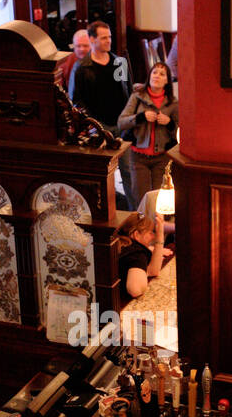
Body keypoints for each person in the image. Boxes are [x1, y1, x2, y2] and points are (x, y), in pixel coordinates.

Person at [73, 21, 133, 198]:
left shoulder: (118, 63)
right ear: (92, 39)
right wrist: (94, 126)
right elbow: (78, 102)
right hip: (99, 129)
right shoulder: (83, 68)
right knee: (102, 175)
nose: (109, 41)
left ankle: (134, 212)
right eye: (104, 37)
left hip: (122, 126)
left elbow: (128, 92)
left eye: (110, 37)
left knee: (129, 173)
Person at [117, 62, 179, 207]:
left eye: (162, 74)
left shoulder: (173, 103)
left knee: (159, 201)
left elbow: (180, 132)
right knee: (140, 200)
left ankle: (157, 228)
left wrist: (169, 123)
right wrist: (140, 117)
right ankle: (140, 229)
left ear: (167, 81)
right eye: (154, 72)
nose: (157, 76)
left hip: (162, 158)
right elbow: (121, 122)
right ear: (149, 76)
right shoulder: (137, 96)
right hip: (138, 157)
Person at [116, 212, 169, 300]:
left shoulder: (120, 244)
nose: (153, 236)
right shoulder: (137, 253)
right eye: (150, 233)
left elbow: (153, 271)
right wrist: (145, 273)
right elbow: (135, 290)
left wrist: (159, 238)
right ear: (136, 235)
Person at [55, 28, 91, 98]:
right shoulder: (68, 61)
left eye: (85, 46)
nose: (81, 49)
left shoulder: (102, 61)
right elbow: (58, 86)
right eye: (78, 46)